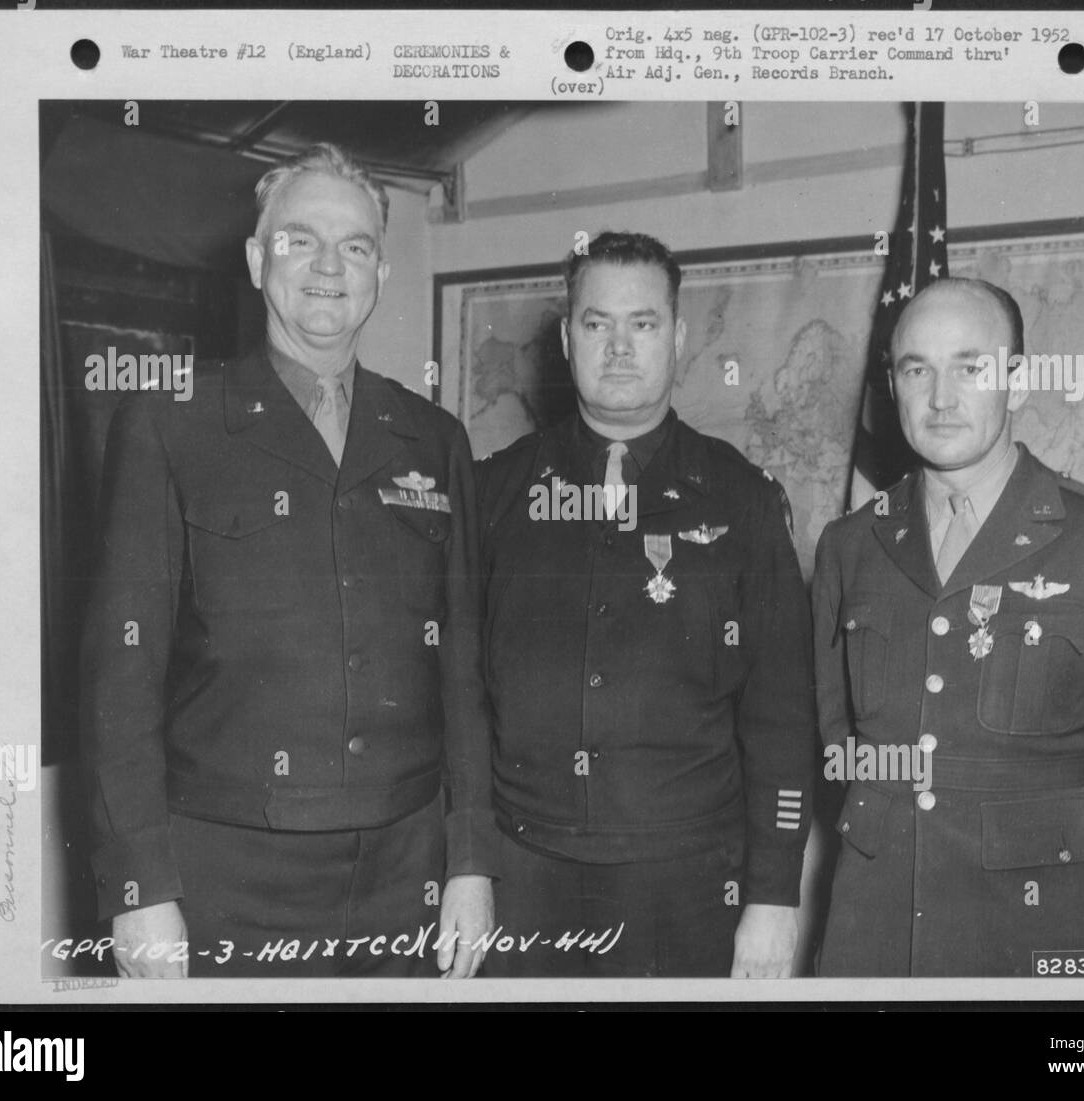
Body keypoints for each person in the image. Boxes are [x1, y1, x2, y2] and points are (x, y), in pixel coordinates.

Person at [80, 143, 495, 978]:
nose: (329, 267)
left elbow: (462, 668)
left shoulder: (435, 439)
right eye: (300, 239)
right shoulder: (171, 426)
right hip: (224, 872)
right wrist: (138, 886)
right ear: (256, 258)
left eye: (356, 246)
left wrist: (471, 860)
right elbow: (119, 677)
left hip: (404, 872)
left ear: (379, 271)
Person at [476, 231, 816, 977]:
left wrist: (772, 893)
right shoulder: (495, 494)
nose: (620, 348)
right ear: (567, 339)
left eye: (644, 324)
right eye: (598, 324)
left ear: (680, 337)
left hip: (685, 885)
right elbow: (462, 701)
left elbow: (783, 715)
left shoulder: (743, 502)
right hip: (522, 876)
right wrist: (467, 865)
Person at [811, 277, 1084, 977]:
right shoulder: (850, 544)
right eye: (916, 369)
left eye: (969, 367)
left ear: (1016, 382)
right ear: (891, 387)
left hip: (1036, 918)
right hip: (875, 916)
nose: (941, 397)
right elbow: (837, 737)